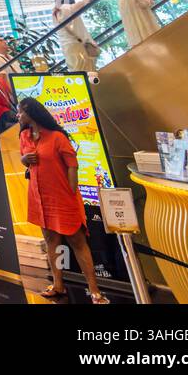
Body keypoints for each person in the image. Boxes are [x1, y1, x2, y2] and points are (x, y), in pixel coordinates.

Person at [18, 97, 108, 304]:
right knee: (51, 241)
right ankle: (58, 284)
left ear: (31, 113)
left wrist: (71, 191)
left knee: (77, 241)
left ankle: (94, 290)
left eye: (21, 111)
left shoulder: (57, 137)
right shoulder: (25, 136)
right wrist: (24, 161)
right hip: (39, 197)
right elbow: (25, 159)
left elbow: (72, 165)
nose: (18, 115)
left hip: (62, 197)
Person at [52, 0, 102, 72]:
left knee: (77, 72)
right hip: (77, 46)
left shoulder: (55, 13)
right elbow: (83, 3)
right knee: (87, 71)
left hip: (67, 47)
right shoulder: (66, 8)